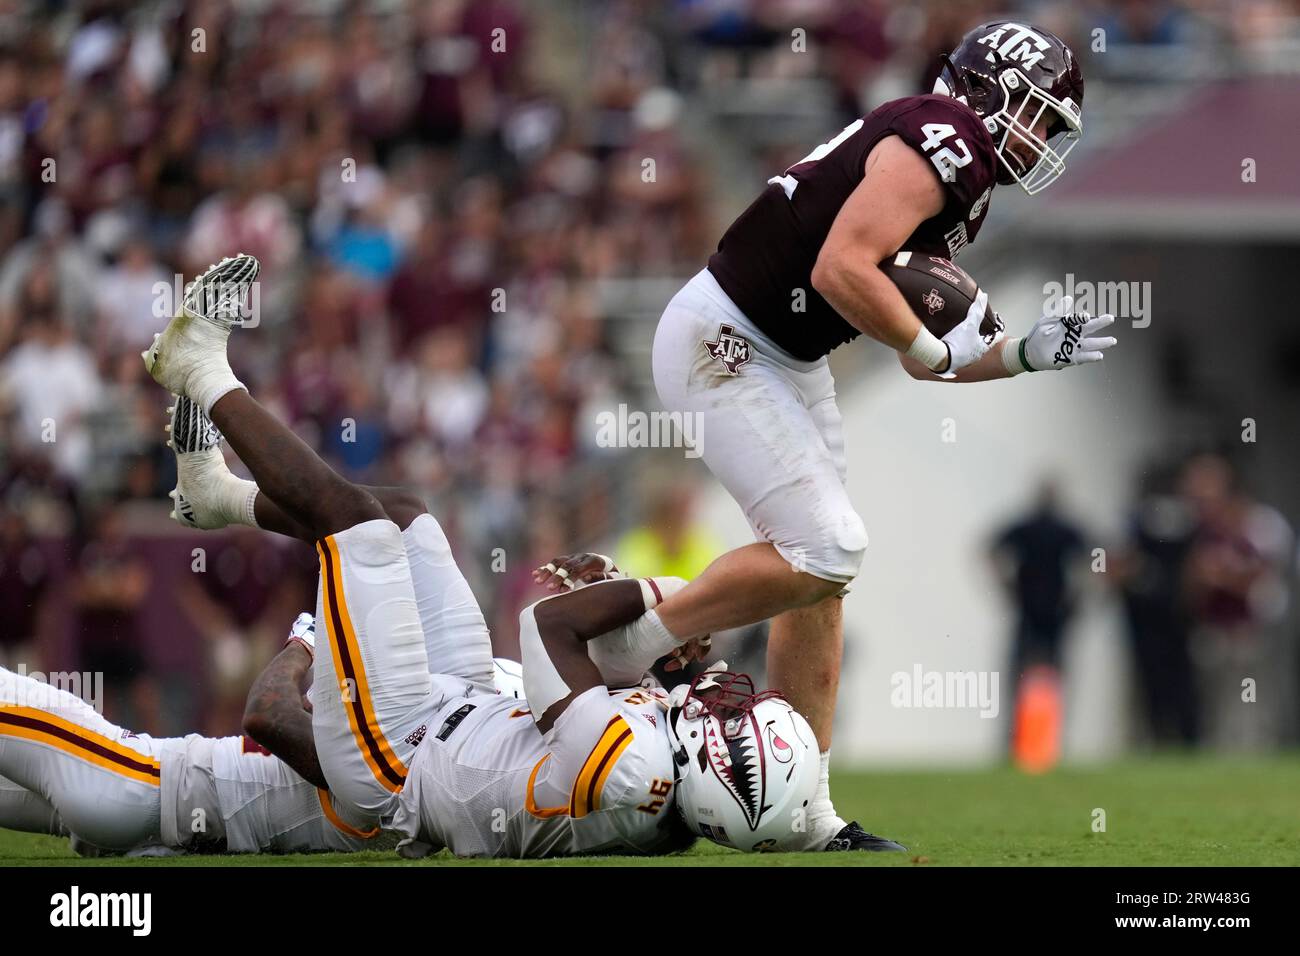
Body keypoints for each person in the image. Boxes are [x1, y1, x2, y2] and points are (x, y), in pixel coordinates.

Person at [141, 253, 850, 857]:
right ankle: (220, 498)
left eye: (734, 727)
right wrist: (644, 622)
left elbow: (548, 629)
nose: (730, 703)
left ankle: (202, 372)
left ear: (721, 777)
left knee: (358, 527)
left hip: (406, 759)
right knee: (411, 518)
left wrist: (662, 594)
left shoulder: (634, 773)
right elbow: (601, 674)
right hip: (464, 716)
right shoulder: (660, 784)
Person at [647, 20, 1116, 849]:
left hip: (785, 354)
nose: (1042, 139)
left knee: (823, 576)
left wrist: (1023, 355)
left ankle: (806, 810)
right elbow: (841, 268)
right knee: (827, 546)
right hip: (725, 337)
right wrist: (930, 340)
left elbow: (919, 359)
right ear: (995, 87)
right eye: (1041, 115)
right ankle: (635, 642)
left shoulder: (961, 166)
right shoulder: (951, 137)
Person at [0, 617, 393, 857]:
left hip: (136, 779)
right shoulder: (383, 794)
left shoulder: (362, 775)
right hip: (141, 824)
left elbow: (265, 715)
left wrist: (303, 643)